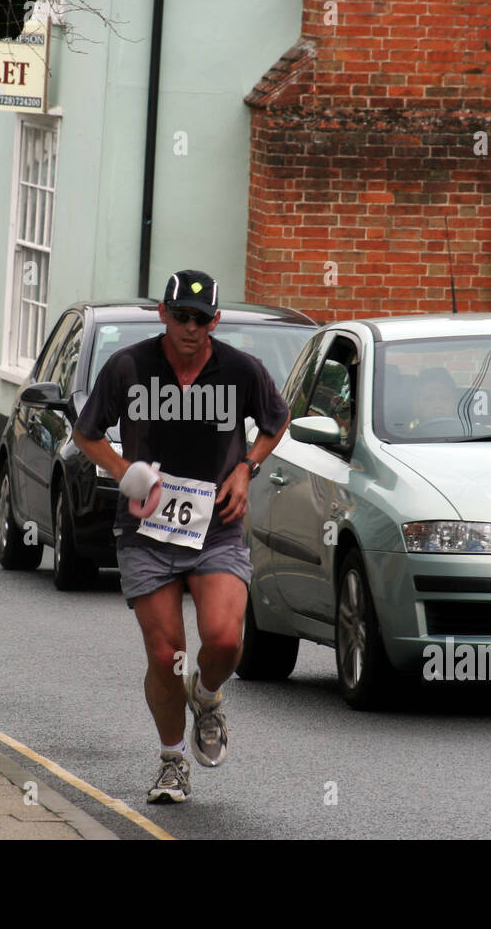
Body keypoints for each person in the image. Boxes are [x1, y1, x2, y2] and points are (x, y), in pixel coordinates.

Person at [72, 269, 290, 803]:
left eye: (201, 318)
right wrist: (125, 471)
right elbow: (86, 432)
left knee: (223, 639)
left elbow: (276, 420)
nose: (190, 327)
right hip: (147, 531)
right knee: (166, 651)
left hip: (216, 526)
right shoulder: (129, 366)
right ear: (163, 314)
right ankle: (172, 762)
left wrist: (246, 469)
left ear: (215, 321)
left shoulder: (240, 371)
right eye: (180, 316)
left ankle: (208, 696)